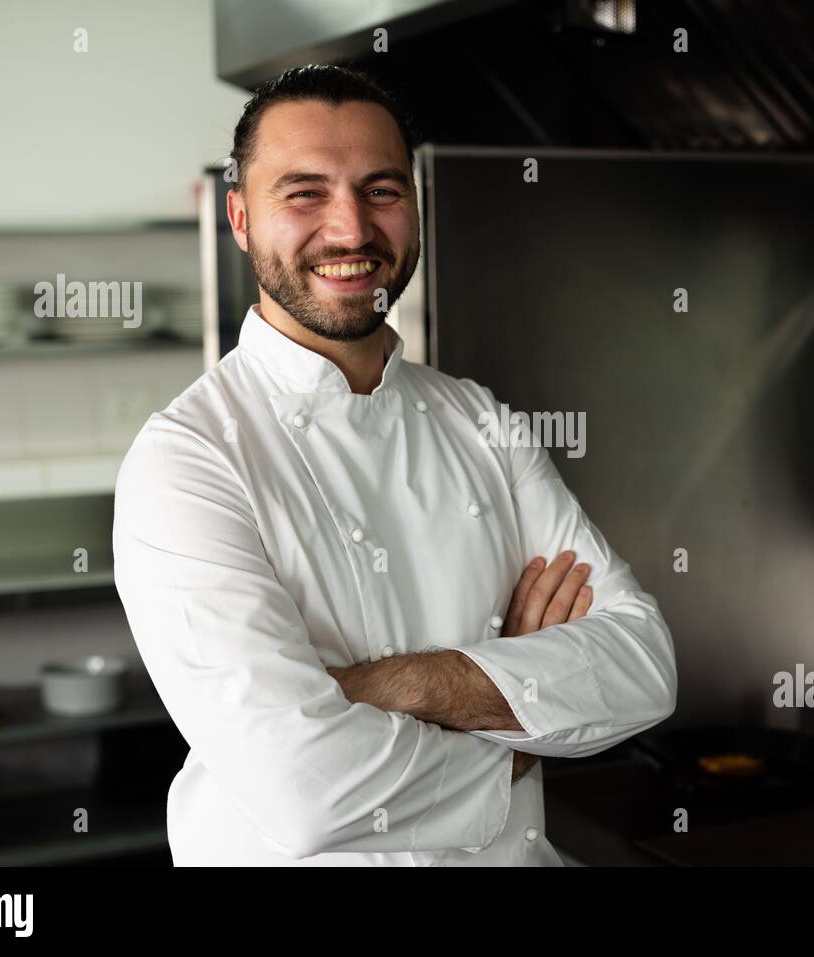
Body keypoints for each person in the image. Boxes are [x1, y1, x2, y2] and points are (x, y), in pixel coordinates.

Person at [113, 64, 677, 866]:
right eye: (304, 192)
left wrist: (408, 685)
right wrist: (524, 723)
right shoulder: (188, 461)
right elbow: (304, 789)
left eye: (381, 190)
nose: (350, 230)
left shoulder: (481, 420)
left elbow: (644, 665)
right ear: (239, 218)